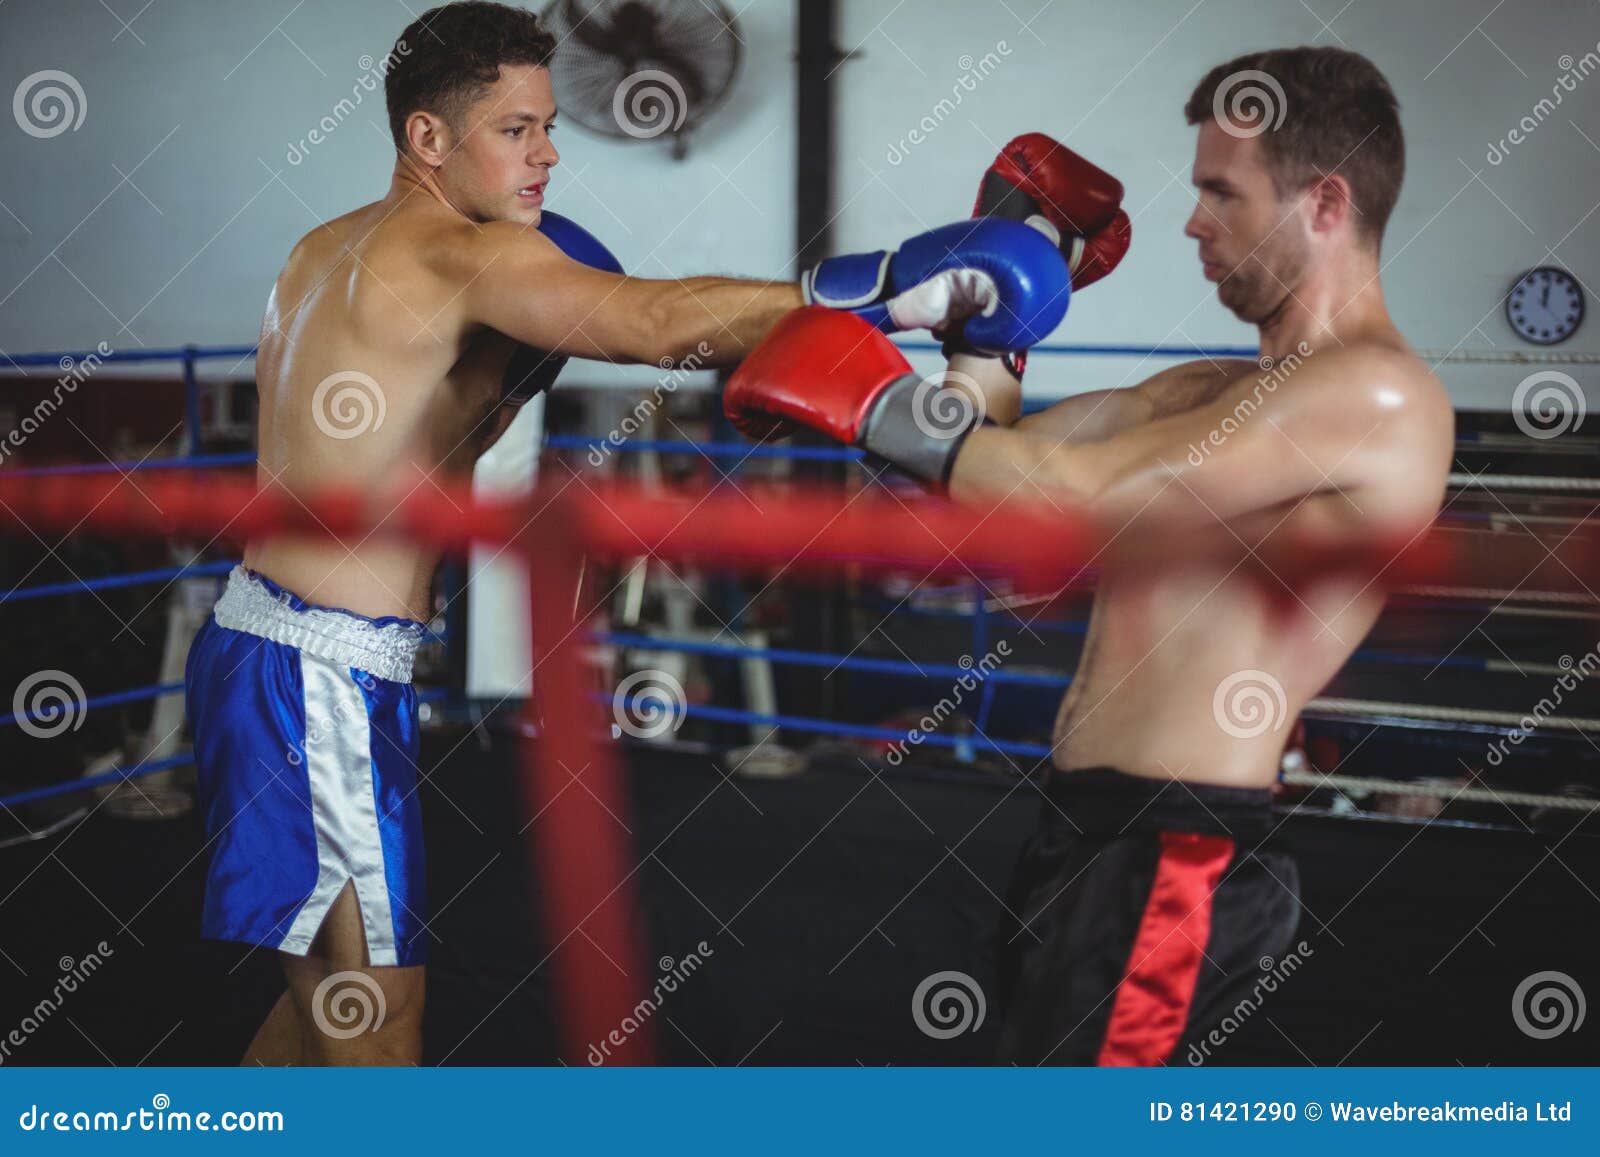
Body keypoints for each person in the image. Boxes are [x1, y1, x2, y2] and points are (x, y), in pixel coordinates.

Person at [184, 0, 1068, 1067]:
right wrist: (889, 292)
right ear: (427, 138)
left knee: (321, 998)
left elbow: (401, 440)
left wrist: (486, 397)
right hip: (316, 674)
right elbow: (655, 321)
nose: (549, 153)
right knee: (379, 1020)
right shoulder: (463, 258)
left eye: (549, 125)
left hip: (272, 646)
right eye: (517, 129)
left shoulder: (320, 251)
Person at [723, 46, 1455, 1065]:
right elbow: (1006, 476)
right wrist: (989, 327)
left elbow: (1092, 496)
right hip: (1086, 834)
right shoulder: (1205, 389)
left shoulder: (1378, 395)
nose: (1193, 221)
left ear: (1323, 202)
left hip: (1181, 851)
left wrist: (874, 398)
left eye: (1219, 191)